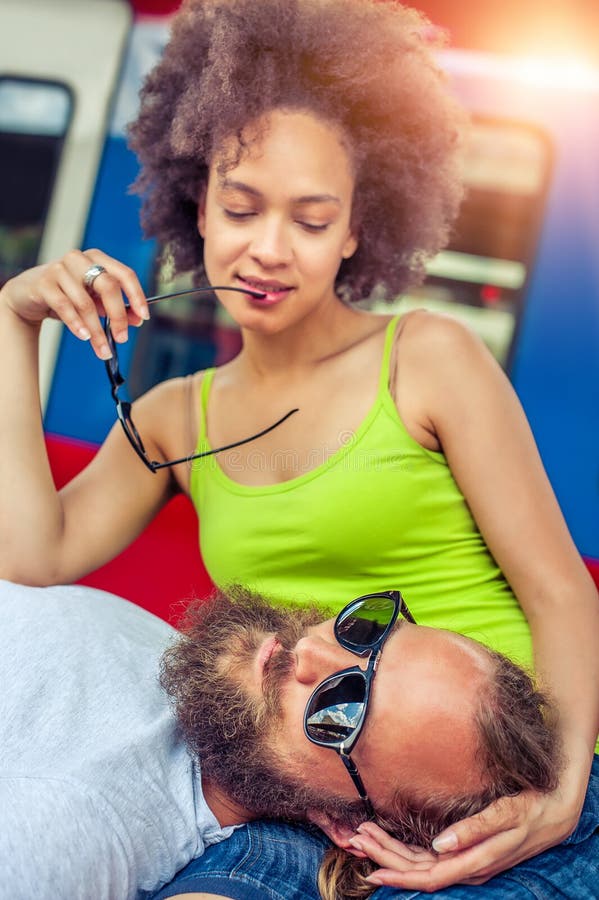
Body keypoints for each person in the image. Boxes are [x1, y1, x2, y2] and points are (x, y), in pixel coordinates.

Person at [0, 0, 597, 894]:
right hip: (316, 812)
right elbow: (30, 556)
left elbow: (558, 590)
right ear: (200, 209)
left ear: (356, 229)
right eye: (240, 209)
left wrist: (560, 794)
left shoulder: (427, 358)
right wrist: (13, 320)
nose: (267, 251)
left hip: (515, 788)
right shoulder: (174, 419)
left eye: (311, 222)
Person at [0, 578, 562, 900]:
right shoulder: (196, 682)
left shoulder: (81, 823)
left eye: (343, 708)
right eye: (365, 633)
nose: (310, 651)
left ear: (345, 824)